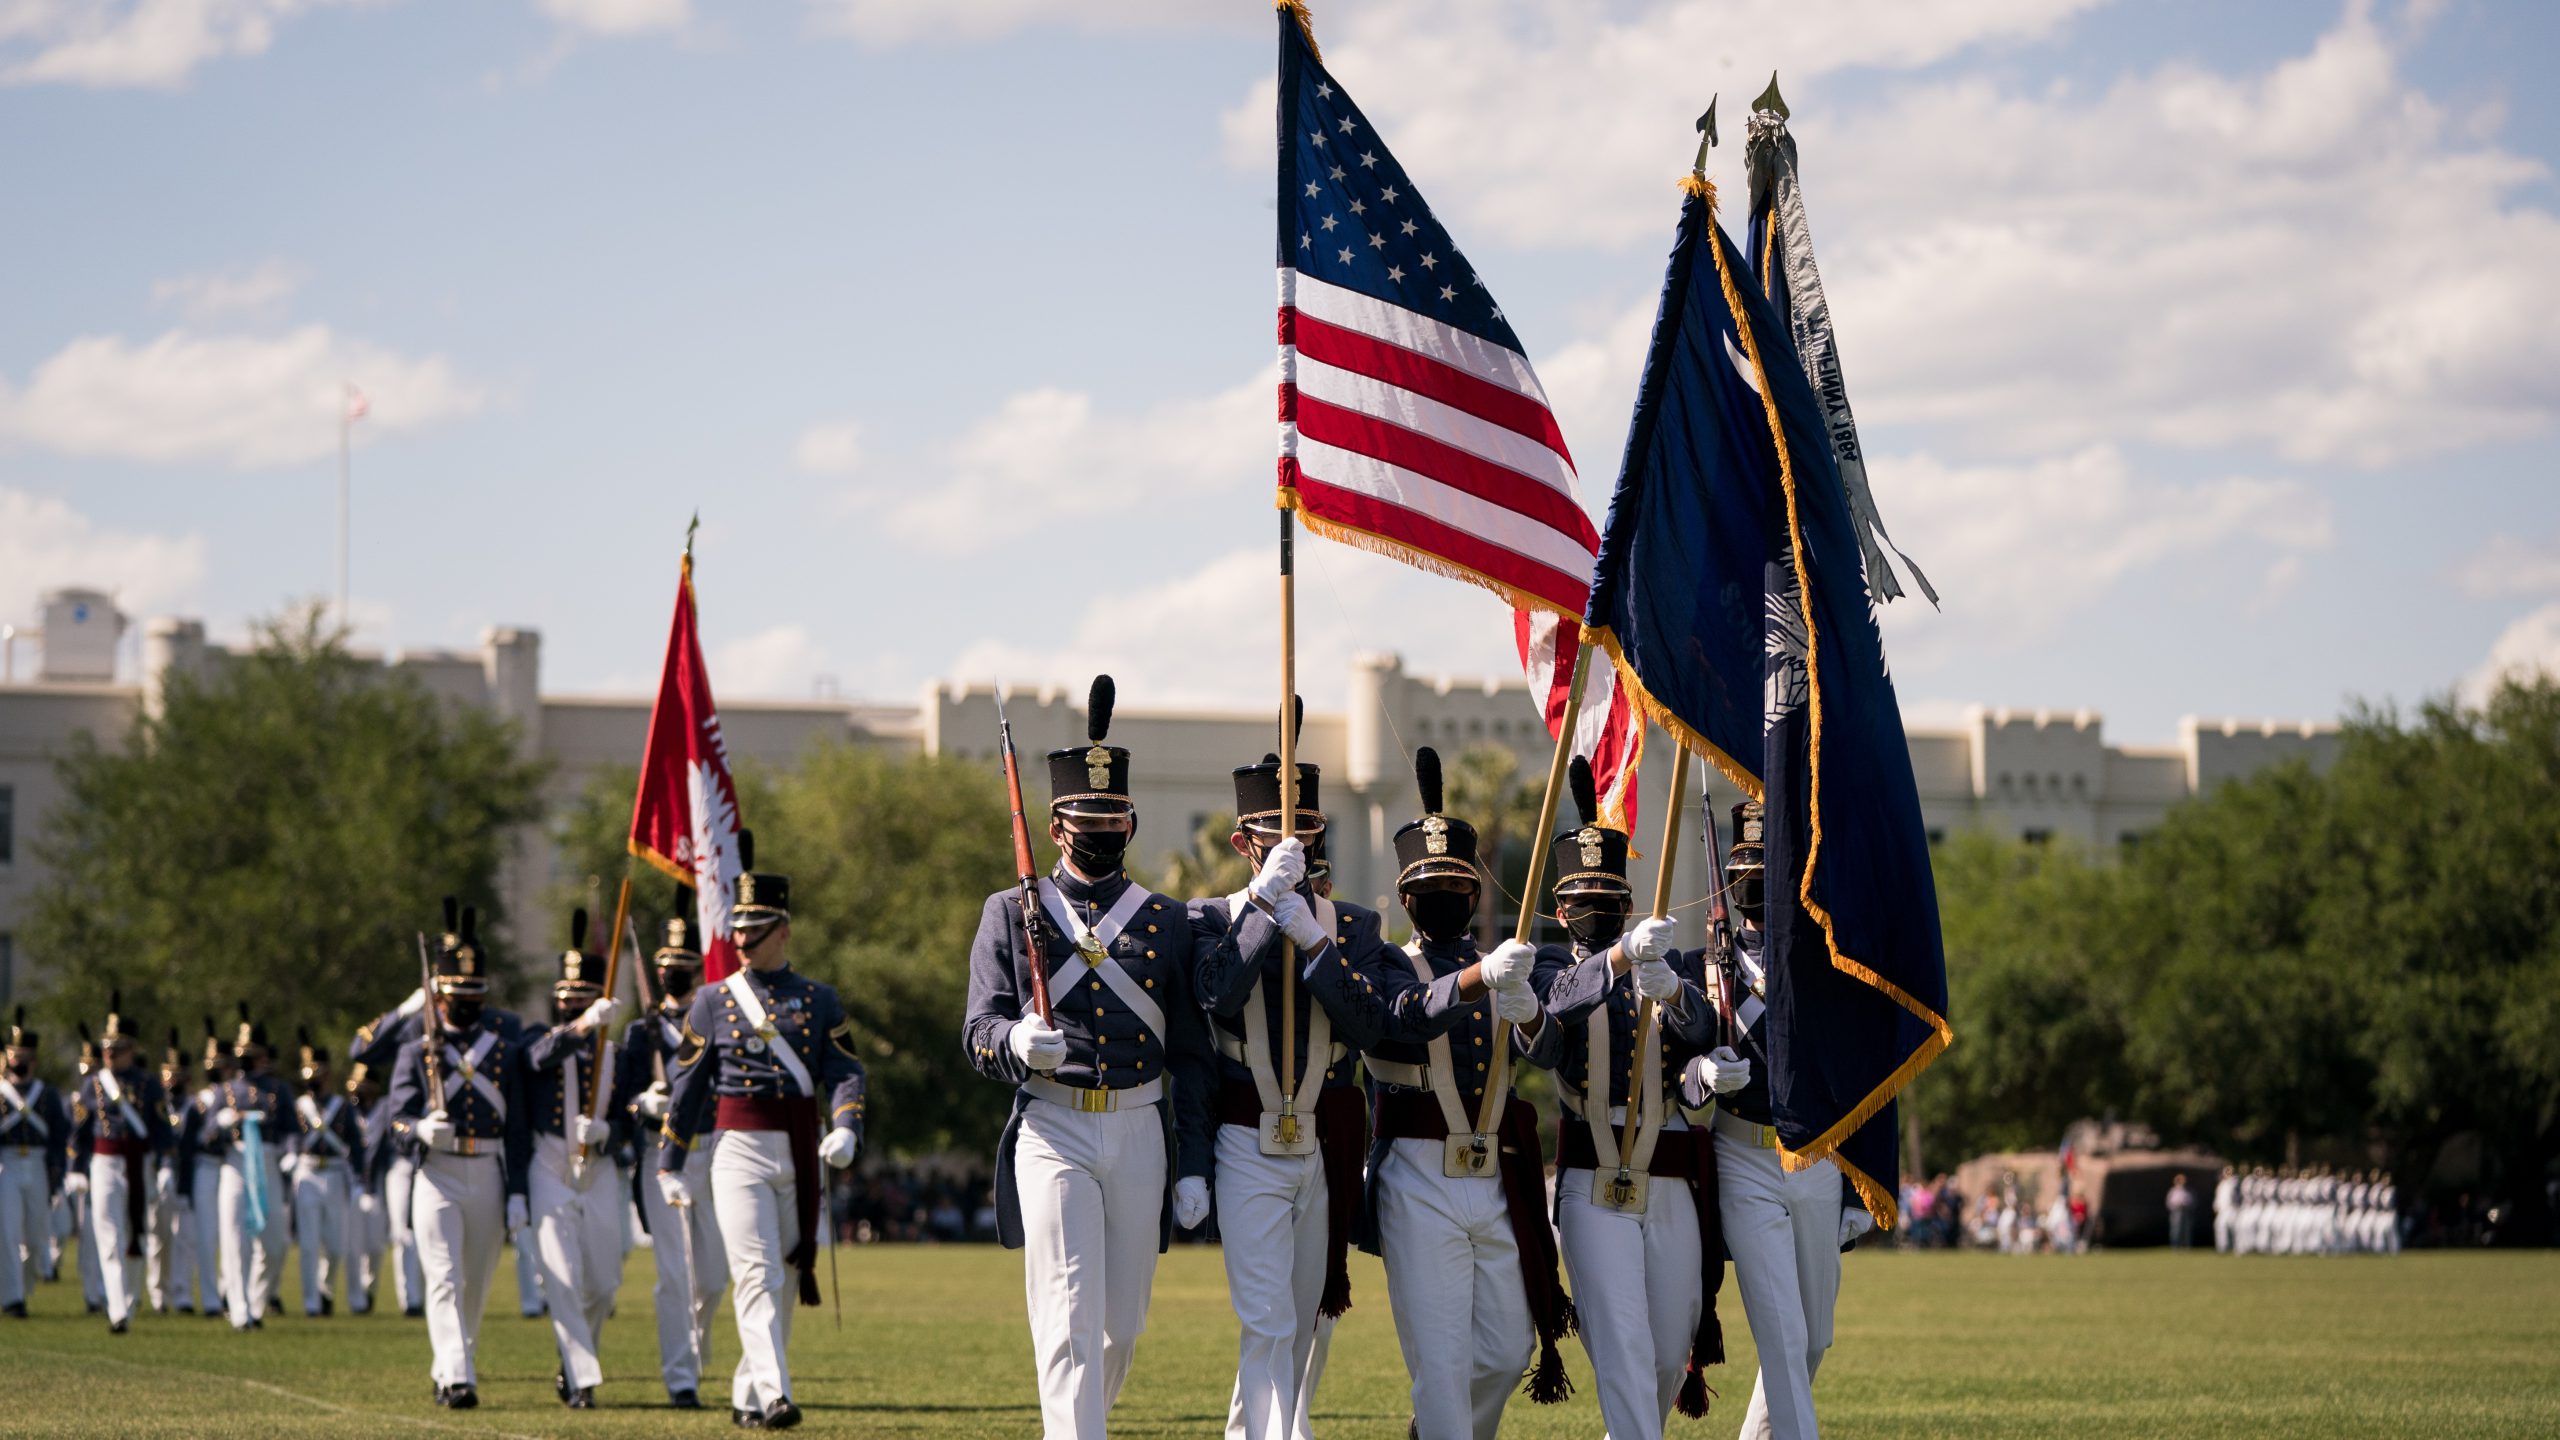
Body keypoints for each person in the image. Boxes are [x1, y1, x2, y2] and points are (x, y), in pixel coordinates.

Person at [960, 676, 1218, 1439]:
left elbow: (1194, 1054)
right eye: (1087, 814)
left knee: (1120, 1329)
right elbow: (977, 1026)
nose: (1103, 825)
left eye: (1115, 812)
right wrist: (1012, 1042)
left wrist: (1195, 1159)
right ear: (1055, 822)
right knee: (1069, 1316)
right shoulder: (1010, 911)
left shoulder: (1166, 921)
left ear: (1131, 819)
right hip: (1054, 1127)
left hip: (1141, 1128)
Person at [1187, 722, 1392, 1440]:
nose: (1293, 849)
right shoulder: (1209, 919)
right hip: (1246, 1131)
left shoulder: (1353, 925)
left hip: (1323, 1140)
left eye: (1304, 834)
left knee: (1302, 1318)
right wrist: (1260, 913)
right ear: (1245, 843)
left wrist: (1313, 940)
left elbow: (1370, 1028)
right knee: (1266, 1314)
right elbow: (1214, 992)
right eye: (1278, 837)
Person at [1357, 746, 1568, 1440]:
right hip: (1416, 1174)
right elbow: (1406, 1015)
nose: (1443, 897)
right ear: (1405, 896)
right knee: (1441, 1363)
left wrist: (1529, 1008)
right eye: (1427, 887)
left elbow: (1553, 1049)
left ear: (1477, 893)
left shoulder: (1504, 969)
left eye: (1457, 884)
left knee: (1507, 1352)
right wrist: (1482, 979)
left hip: (1496, 1175)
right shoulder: (1388, 960)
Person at [1530, 757, 1726, 1438]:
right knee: (1620, 1347)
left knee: (1670, 1351)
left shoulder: (1664, 961)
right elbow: (1550, 1021)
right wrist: (1614, 962)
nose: (1599, 912)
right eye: (1582, 902)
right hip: (1591, 1172)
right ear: (1560, 910)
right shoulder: (1553, 966)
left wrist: (1669, 989)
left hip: (1668, 1168)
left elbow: (1705, 1030)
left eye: (1610, 900)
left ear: (1630, 901)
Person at [660, 832, 867, 1430]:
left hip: (802, 1147)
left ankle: (749, 1391)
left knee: (786, 1273)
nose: (743, 941)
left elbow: (846, 1071)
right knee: (757, 1272)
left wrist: (847, 1126)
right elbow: (689, 1086)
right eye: (738, 928)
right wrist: (669, 1163)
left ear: (784, 930)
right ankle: (777, 1393)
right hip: (738, 1148)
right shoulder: (712, 1000)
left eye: (756, 929)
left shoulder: (820, 1000)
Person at [1683, 801, 1871, 1440]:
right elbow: (1673, 1065)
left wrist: (1856, 1181)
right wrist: (1705, 1073)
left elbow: (1854, 1075)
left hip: (1815, 1155)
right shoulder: (1703, 963)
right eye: (1745, 875)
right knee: (1784, 1332)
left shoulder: (1825, 960)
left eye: (1767, 871)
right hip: (1741, 1154)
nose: (1755, 888)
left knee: (1815, 1334)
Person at [387, 905, 533, 1409]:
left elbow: (515, 1127)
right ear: (441, 994)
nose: (468, 1002)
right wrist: (420, 1129)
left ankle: (455, 1360)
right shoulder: (415, 1050)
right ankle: (457, 1377)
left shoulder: (503, 1046)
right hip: (437, 1174)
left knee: (475, 1282)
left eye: (476, 993)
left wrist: (518, 1192)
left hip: (488, 1170)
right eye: (459, 993)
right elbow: (396, 1120)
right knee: (444, 1277)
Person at [615, 888, 730, 1409]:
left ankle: (695, 1350)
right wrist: (645, 1101)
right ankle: (680, 1378)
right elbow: (620, 1100)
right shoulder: (641, 1033)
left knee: (713, 1276)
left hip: (714, 1149)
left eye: (683, 962)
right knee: (674, 1273)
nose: (673, 971)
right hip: (662, 1155)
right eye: (667, 963)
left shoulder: (714, 1019)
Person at [522, 909, 630, 1409]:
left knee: (604, 1282)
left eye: (581, 999)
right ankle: (579, 1376)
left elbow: (630, 1117)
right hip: (549, 1165)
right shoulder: (543, 1039)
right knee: (560, 1274)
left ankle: (579, 1358)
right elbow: (536, 1059)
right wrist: (583, 1027)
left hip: (599, 1169)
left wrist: (608, 1130)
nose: (570, 1004)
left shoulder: (618, 1052)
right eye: (564, 999)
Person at [72, 993, 175, 1333]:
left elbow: (161, 1129)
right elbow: (81, 1130)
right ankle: (116, 1307)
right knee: (108, 1235)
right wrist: (76, 1170)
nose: (109, 1053)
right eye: (107, 1047)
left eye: (117, 1047)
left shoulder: (148, 1084)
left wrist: (164, 1166)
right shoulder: (93, 1085)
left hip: (139, 1162)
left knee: (136, 1235)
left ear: (131, 1049)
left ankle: (128, 1302)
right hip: (105, 1162)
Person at [206, 1004, 298, 1330]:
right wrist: (220, 1121)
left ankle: (257, 1303)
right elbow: (206, 1133)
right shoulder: (224, 1092)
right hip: (236, 1163)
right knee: (234, 1241)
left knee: (274, 1244)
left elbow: (290, 1128)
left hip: (269, 1162)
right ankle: (239, 1309)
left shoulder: (278, 1090)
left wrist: (290, 1152)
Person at [1, 1010, 72, 1318]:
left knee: (36, 1235)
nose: (20, 1060)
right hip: (7, 1164)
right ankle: (13, 1297)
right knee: (7, 1232)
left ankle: (23, 1286)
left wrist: (56, 1172)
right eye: (16, 1054)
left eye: (26, 1055)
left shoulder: (48, 1095)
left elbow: (59, 1135)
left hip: (39, 1165)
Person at [287, 1031, 364, 1316]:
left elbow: (355, 1145)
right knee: (308, 1244)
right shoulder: (299, 1107)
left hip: (333, 1175)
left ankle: (325, 1288)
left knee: (335, 1247)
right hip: (307, 1172)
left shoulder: (341, 1107)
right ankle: (311, 1303)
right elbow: (292, 1137)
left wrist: (357, 1179)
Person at [185, 1020, 230, 1319]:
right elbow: (188, 1145)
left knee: (230, 1233)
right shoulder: (199, 1102)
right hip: (206, 1167)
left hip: (229, 1166)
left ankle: (229, 1291)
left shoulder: (234, 1095)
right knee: (206, 1235)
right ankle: (211, 1299)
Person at [2167, 1174, 2195, 1251]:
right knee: (2176, 1230)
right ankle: (2175, 1246)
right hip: (2176, 1211)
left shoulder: (2188, 1191)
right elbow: (2169, 1203)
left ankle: (2186, 1246)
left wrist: (2185, 1204)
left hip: (2185, 1211)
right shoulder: (2173, 1191)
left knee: (2186, 1230)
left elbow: (2192, 1201)